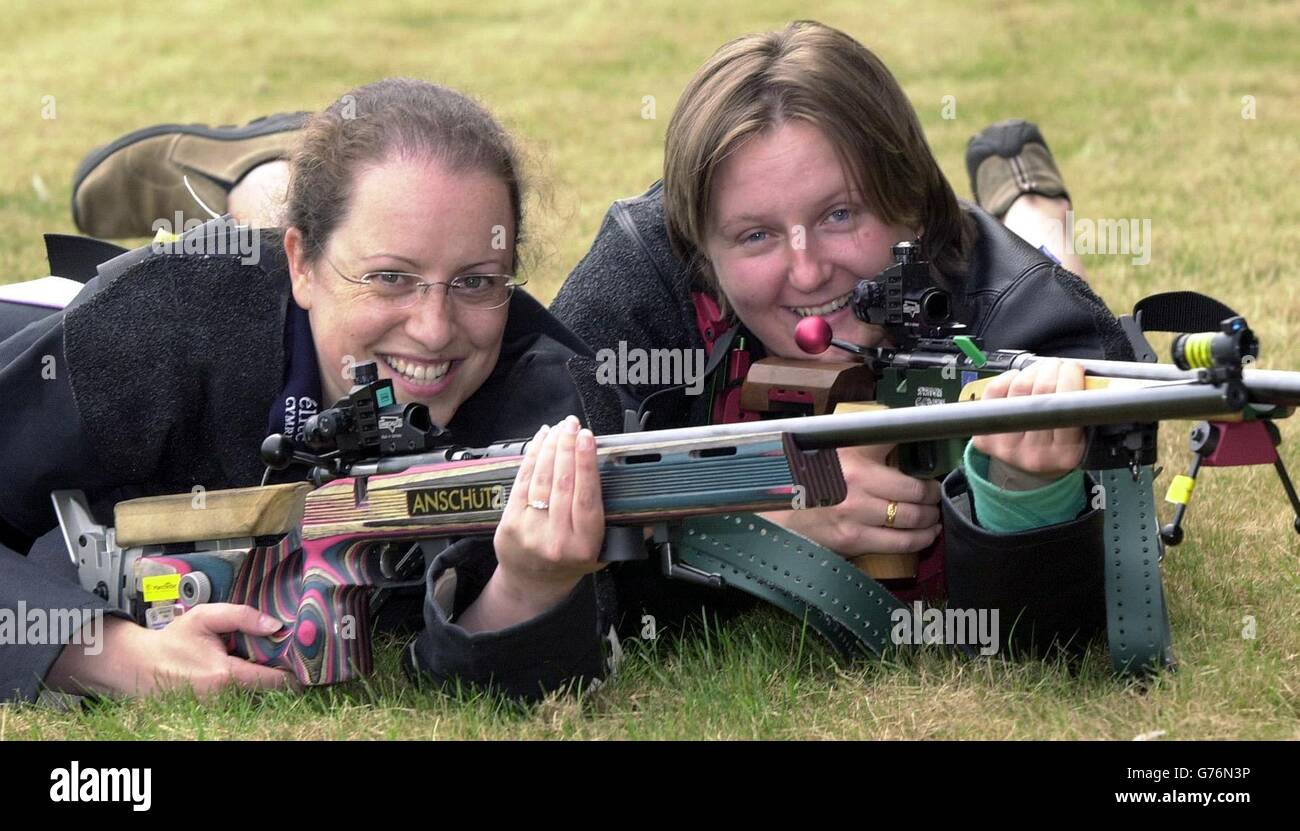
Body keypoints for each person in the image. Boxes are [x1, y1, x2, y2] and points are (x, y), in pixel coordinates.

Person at [0, 78, 624, 702]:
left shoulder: (550, 409)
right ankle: (259, 177)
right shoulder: (160, 322)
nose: (434, 331)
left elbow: (492, 672)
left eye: (476, 282)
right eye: (389, 278)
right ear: (301, 263)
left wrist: (530, 586)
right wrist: (116, 657)